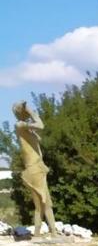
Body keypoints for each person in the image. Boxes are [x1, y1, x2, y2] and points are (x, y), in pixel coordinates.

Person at [13, 101, 57, 236]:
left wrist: (30, 114)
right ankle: (53, 233)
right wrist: (31, 112)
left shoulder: (27, 128)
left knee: (41, 205)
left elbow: (38, 133)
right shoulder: (20, 125)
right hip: (34, 169)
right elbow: (41, 125)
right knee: (45, 203)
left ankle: (38, 233)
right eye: (25, 109)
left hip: (37, 167)